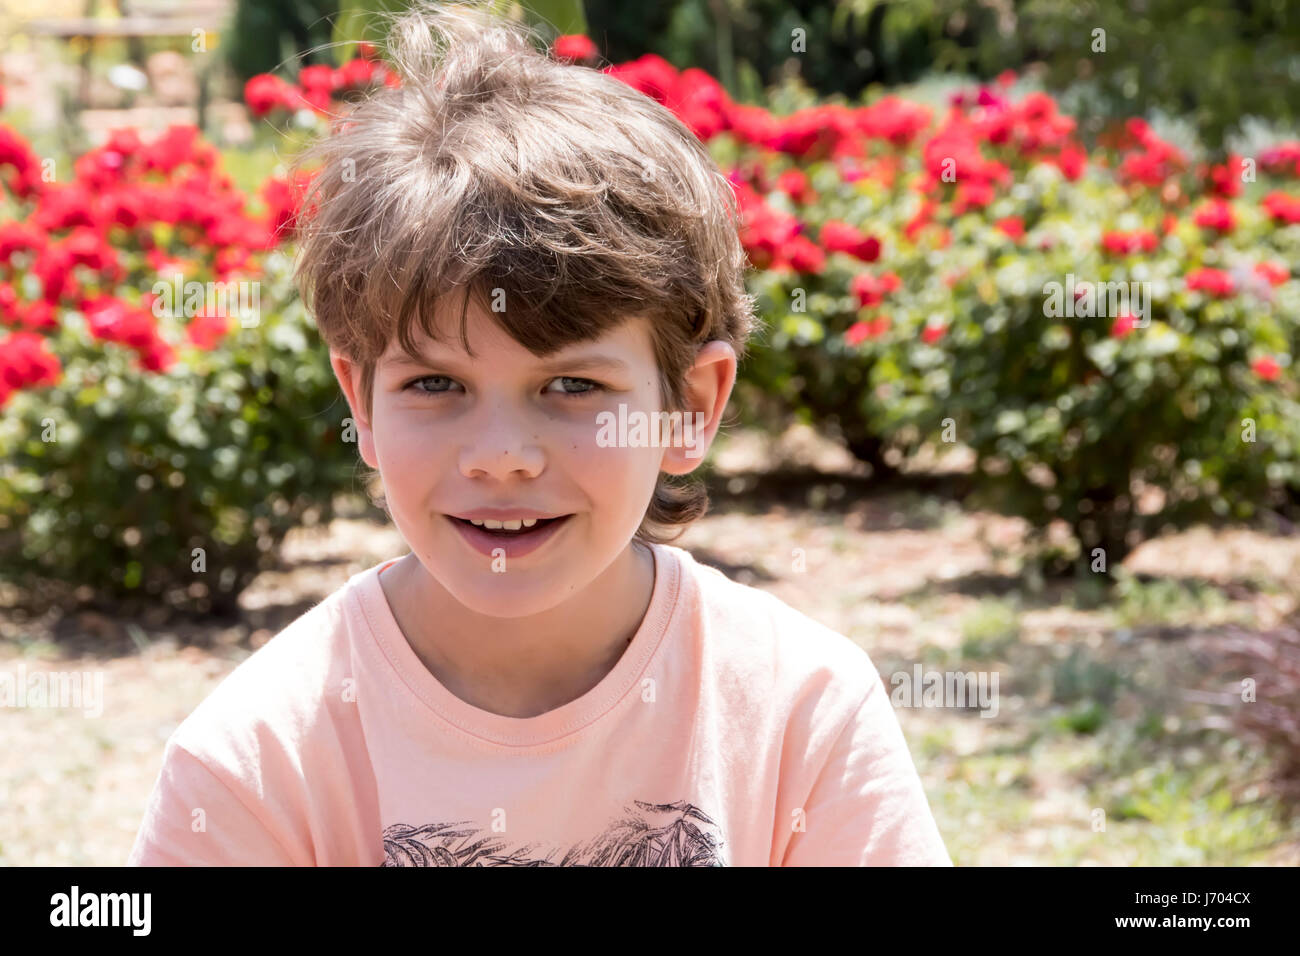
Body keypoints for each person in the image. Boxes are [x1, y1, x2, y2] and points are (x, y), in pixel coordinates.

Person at [128, 0, 951, 867]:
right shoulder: (258, 762)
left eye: (571, 385)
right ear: (360, 402)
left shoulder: (802, 714)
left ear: (692, 406)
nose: (501, 456)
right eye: (436, 383)